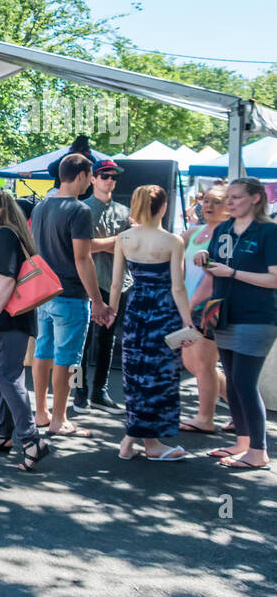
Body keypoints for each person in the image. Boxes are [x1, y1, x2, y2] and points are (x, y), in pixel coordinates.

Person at [106, 184, 197, 461]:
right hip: (163, 312)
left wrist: (111, 312)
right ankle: (151, 445)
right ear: (164, 207)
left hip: (135, 310)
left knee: (135, 376)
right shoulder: (172, 241)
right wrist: (188, 323)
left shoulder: (123, 238)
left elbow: (116, 283)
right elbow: (178, 288)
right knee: (159, 378)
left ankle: (132, 439)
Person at [192, 177, 277, 471]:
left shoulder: (269, 231)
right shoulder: (225, 229)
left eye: (236, 197)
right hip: (223, 313)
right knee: (230, 376)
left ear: (256, 198)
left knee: (243, 382)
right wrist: (204, 257)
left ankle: (259, 451)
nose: (229, 202)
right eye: (228, 197)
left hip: (256, 317)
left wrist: (233, 273)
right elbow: (216, 266)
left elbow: (274, 278)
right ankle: (243, 443)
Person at [29, 153, 115, 437]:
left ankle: (41, 412)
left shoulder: (41, 207)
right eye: (90, 176)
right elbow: (83, 258)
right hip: (70, 295)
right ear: (80, 176)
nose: (91, 182)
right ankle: (59, 419)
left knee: (43, 352)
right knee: (66, 358)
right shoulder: (79, 210)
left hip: (44, 294)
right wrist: (99, 301)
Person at [0, 190, 48, 472]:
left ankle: (30, 440)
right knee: (1, 374)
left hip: (7, 318)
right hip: (14, 318)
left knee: (5, 375)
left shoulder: (4, 236)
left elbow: (6, 278)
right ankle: (3, 434)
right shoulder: (8, 236)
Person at [75, 159, 133, 412]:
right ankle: (78, 391)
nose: (110, 180)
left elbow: (130, 244)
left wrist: (105, 243)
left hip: (118, 284)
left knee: (107, 342)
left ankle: (100, 391)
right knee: (80, 344)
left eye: (113, 176)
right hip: (87, 283)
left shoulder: (124, 211)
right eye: (105, 175)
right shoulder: (81, 209)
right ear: (93, 179)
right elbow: (81, 247)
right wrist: (116, 241)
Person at [180, 184, 229, 432]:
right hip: (188, 304)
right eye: (206, 200)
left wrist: (188, 306)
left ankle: (205, 418)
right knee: (191, 361)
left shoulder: (227, 236)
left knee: (203, 363)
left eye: (216, 202)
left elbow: (214, 279)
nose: (208, 206)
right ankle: (243, 409)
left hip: (211, 306)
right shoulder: (193, 232)